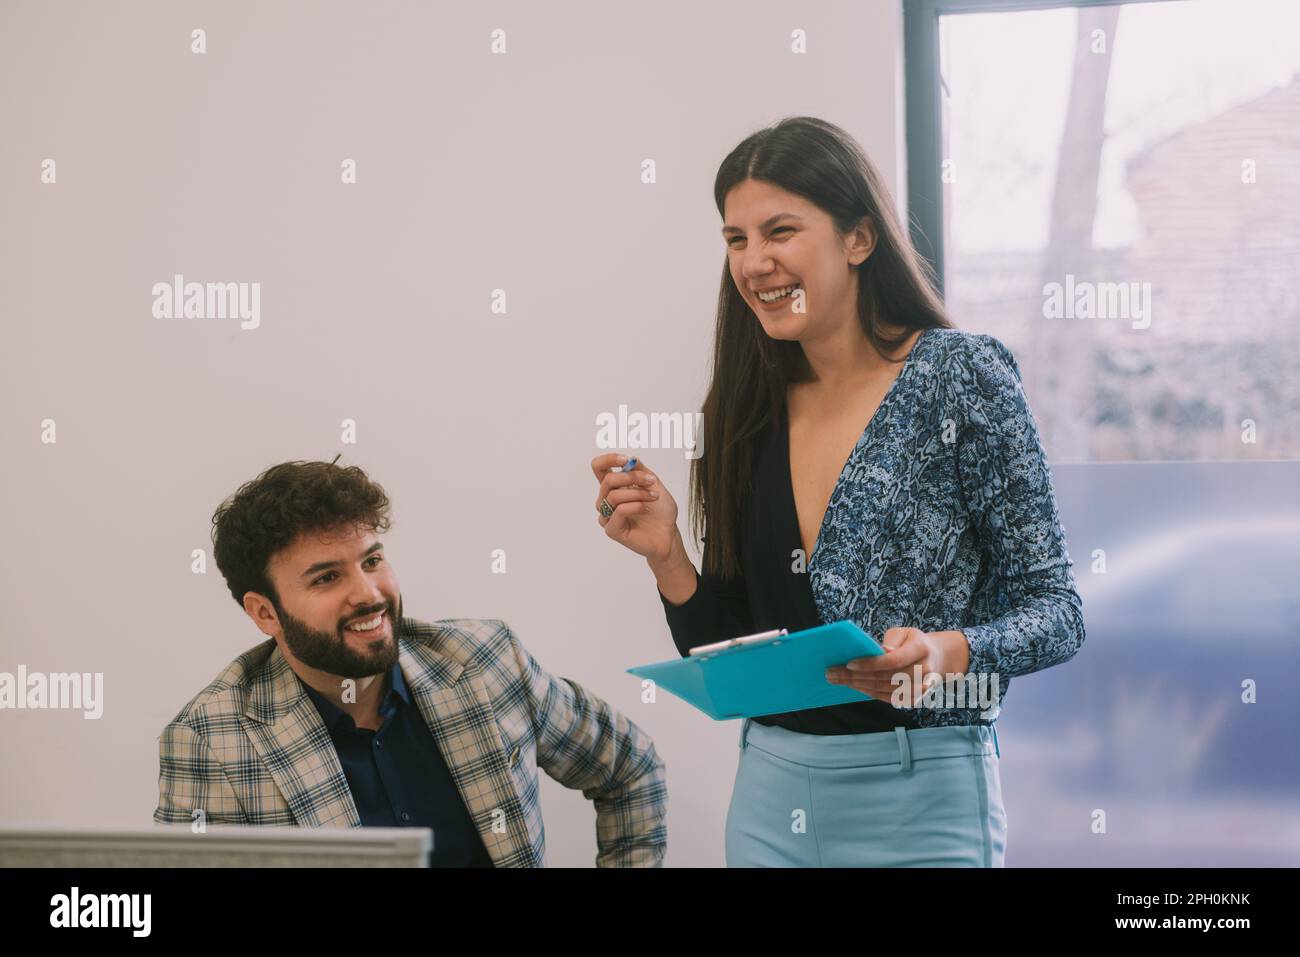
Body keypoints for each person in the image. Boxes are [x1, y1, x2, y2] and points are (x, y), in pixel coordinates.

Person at [590, 116, 1085, 867]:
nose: (755, 262)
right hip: (770, 794)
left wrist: (948, 651)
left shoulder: (959, 377)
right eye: (736, 239)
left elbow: (1057, 612)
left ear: (858, 239)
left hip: (925, 800)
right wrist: (667, 555)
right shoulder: (743, 408)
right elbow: (727, 653)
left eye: (780, 230)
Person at [154, 459, 667, 867]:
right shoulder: (213, 739)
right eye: (326, 578)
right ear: (265, 612)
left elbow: (630, 767)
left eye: (372, 561)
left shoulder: (483, 661)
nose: (369, 594)